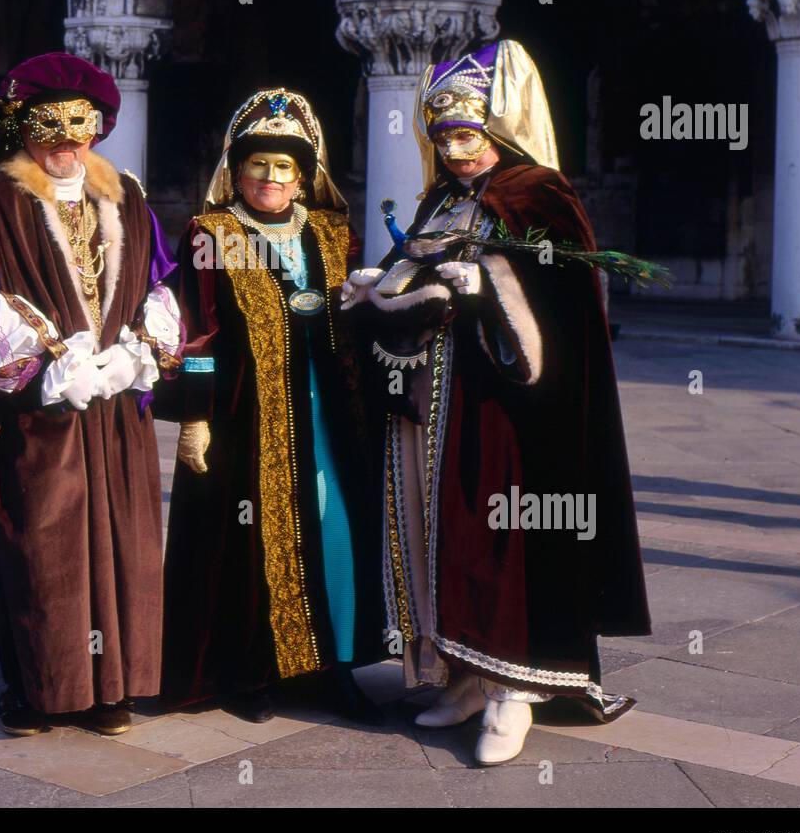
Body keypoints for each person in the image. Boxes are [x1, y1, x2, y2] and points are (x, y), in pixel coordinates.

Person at [341, 39, 651, 763]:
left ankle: (516, 689)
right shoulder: (443, 198)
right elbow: (407, 271)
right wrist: (375, 287)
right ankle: (467, 674)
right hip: (431, 406)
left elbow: (564, 304)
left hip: (508, 411)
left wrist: (486, 290)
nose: (454, 150)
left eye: (466, 136)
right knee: (439, 534)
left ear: (495, 131)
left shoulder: (537, 192)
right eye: (444, 137)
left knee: (497, 538)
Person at [0, 52, 183, 737]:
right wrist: (55, 367)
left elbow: (161, 281)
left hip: (116, 410)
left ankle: (113, 688)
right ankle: (42, 687)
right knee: (44, 545)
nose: (68, 145)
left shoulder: (124, 194)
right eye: (52, 130)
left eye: (82, 129)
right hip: (40, 414)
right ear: (22, 128)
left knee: (126, 541)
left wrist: (137, 350)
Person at [158, 88, 385, 725]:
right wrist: (195, 416)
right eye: (258, 162)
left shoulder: (333, 233)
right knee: (246, 538)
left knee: (334, 531)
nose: (270, 177)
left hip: (331, 418)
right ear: (235, 169)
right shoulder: (215, 234)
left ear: (305, 175)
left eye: (286, 166)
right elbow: (195, 332)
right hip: (242, 421)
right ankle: (246, 671)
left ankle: (333, 669)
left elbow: (360, 322)